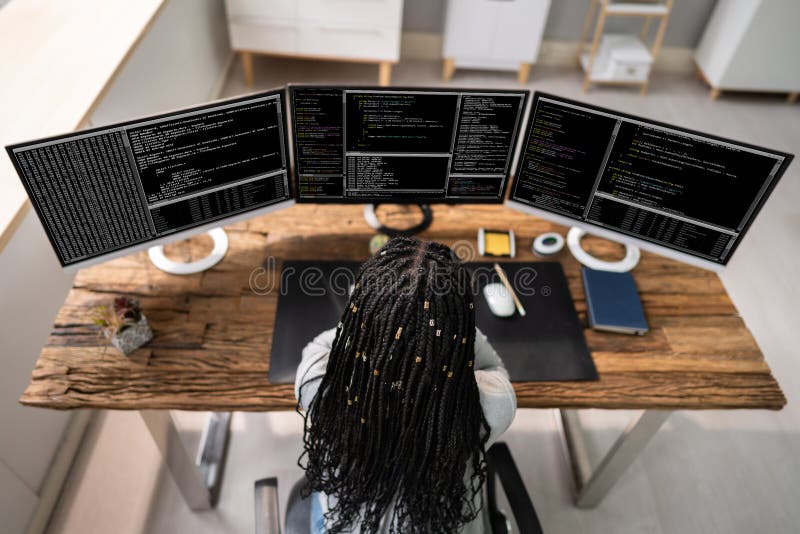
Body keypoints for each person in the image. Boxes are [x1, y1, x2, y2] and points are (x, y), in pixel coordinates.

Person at [294, 237, 516, 533]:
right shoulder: (490, 405)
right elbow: (493, 367)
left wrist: (367, 317)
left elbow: (323, 344)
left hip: (344, 521)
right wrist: (452, 333)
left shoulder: (316, 384)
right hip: (442, 523)